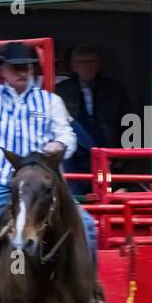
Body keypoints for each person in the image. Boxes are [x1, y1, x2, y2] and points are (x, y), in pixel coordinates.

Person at [0, 42, 115, 303]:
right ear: (2, 70)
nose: (23, 72)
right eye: (16, 67)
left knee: (86, 226)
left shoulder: (50, 102)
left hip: (43, 186)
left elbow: (66, 136)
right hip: (2, 182)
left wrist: (59, 146)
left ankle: (91, 290)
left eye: (27, 67)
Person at [56, 44, 131, 196]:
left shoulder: (113, 90)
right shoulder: (61, 90)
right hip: (75, 157)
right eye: (81, 63)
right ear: (73, 66)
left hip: (108, 155)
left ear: (98, 64)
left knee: (108, 197)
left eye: (91, 62)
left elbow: (128, 124)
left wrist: (121, 157)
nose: (87, 67)